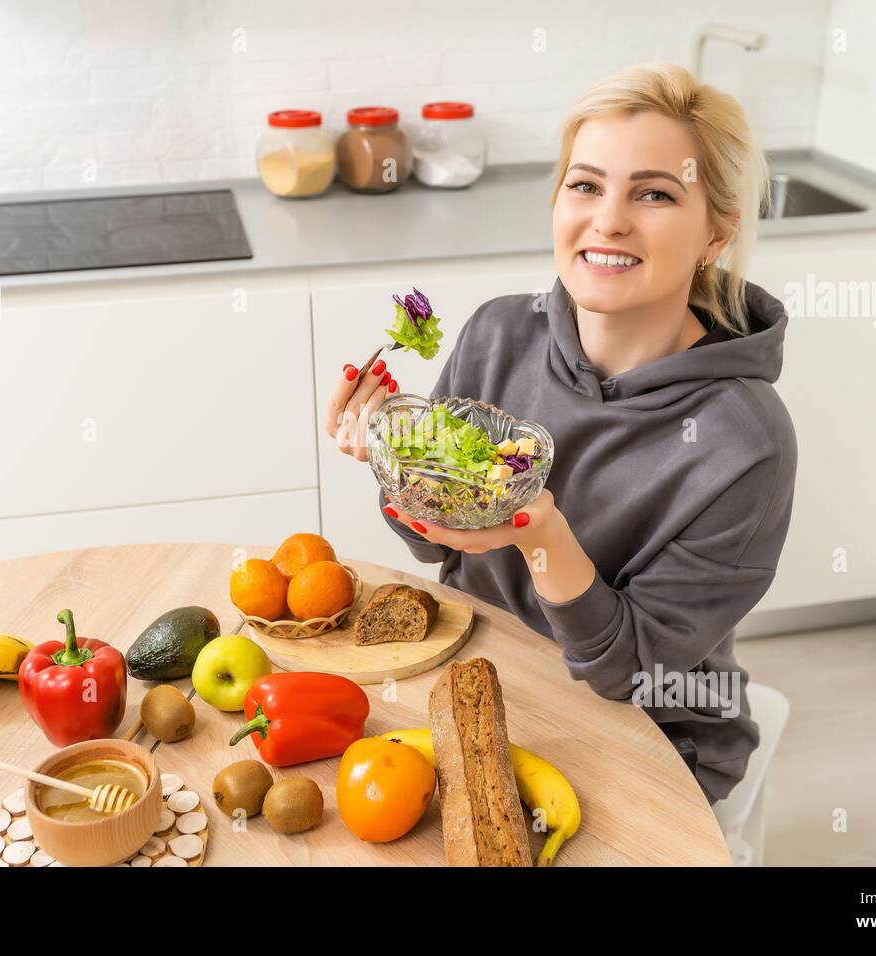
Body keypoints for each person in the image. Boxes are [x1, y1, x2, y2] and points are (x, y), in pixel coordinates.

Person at [323, 62, 795, 804]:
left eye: (655, 193)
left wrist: (540, 537)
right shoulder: (499, 334)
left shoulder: (744, 444)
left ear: (716, 233)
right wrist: (392, 456)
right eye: (586, 184)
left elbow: (630, 671)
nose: (609, 220)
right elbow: (433, 540)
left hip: (655, 737)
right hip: (486, 678)